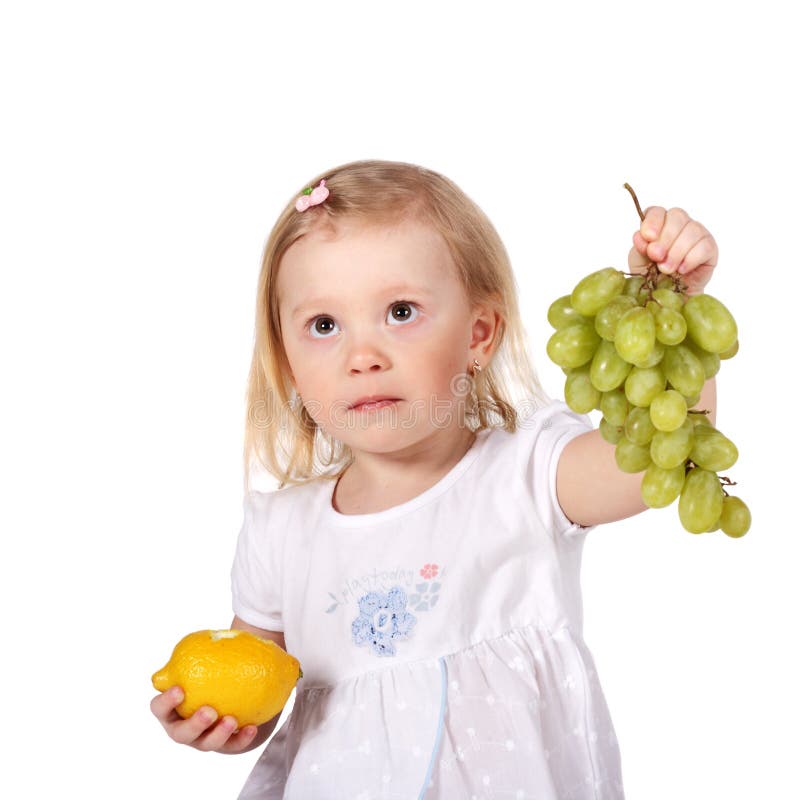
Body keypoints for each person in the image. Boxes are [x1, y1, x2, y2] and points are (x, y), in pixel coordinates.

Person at [151, 159, 718, 798]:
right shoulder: (281, 531)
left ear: (479, 334)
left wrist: (670, 308)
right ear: (286, 361)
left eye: (399, 311)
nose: (362, 357)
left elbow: (651, 465)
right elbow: (263, 690)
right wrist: (223, 723)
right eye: (324, 326)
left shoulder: (524, 475)